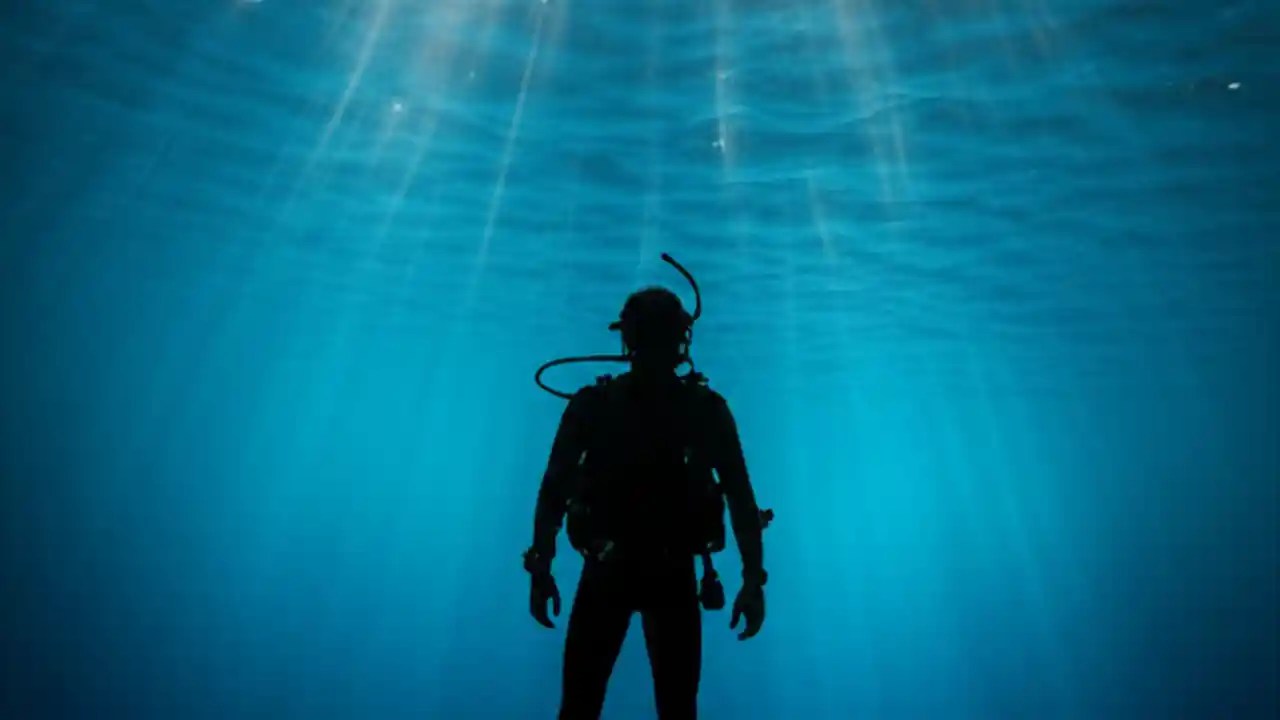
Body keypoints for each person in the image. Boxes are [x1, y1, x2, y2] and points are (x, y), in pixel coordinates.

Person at [523, 258, 769, 720]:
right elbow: (739, 498)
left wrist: (541, 565)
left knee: (579, 708)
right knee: (677, 710)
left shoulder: (592, 405)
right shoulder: (706, 409)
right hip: (670, 575)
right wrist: (752, 580)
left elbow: (553, 490)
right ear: (683, 340)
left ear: (626, 338)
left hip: (606, 572)